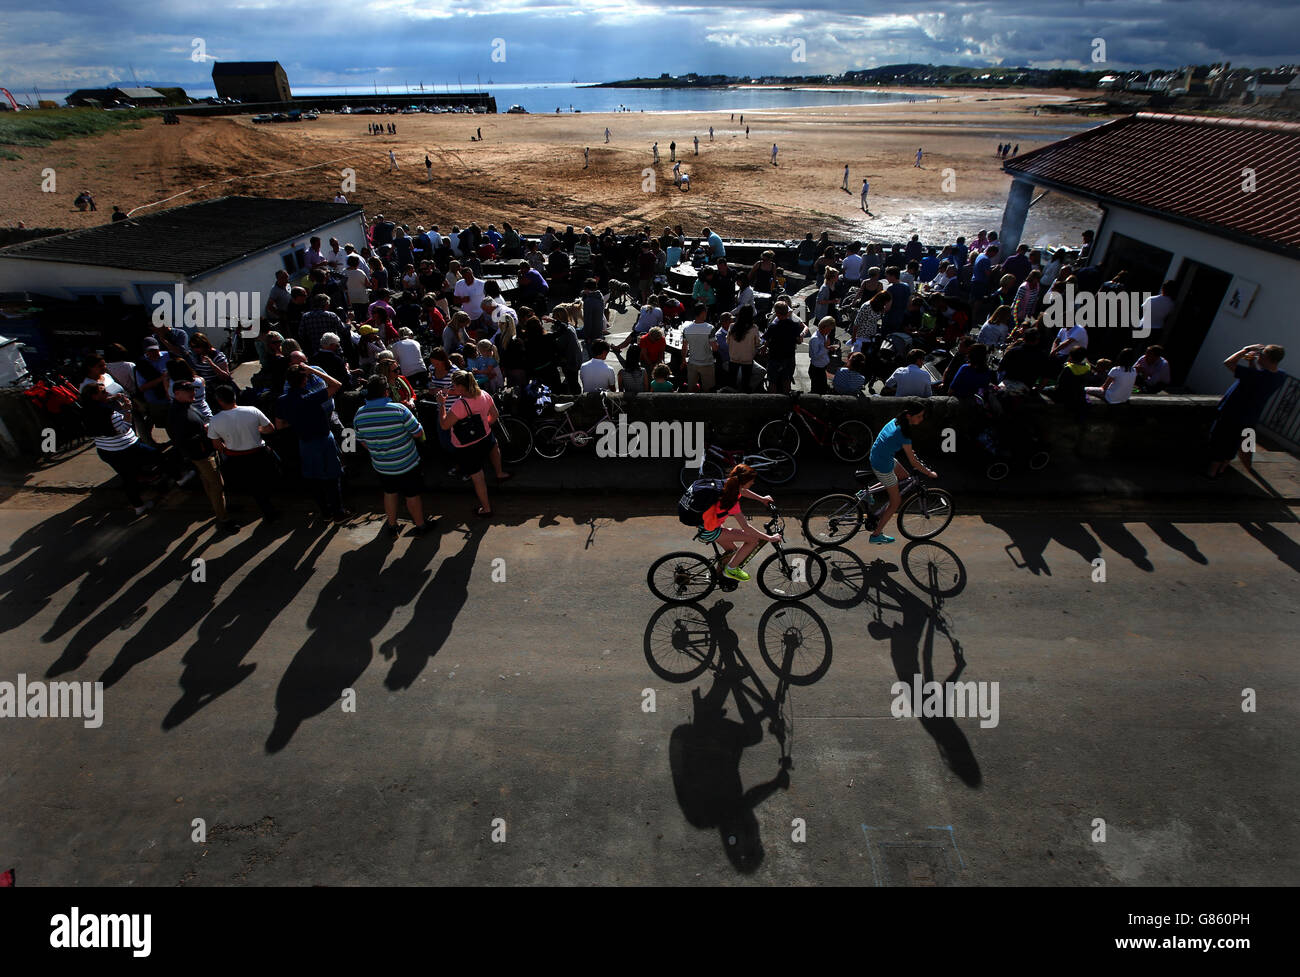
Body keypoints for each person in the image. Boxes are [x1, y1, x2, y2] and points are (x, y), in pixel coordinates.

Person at [352, 374, 438, 537]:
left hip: (382, 465)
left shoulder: (360, 414)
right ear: (386, 392)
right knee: (412, 495)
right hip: (407, 462)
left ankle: (392, 526)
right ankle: (420, 525)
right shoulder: (399, 409)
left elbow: (362, 440)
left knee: (389, 493)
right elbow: (418, 432)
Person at [275, 364, 349, 523]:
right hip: (323, 439)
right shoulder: (310, 397)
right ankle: (338, 513)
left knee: (315, 479)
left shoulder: (282, 400)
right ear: (304, 380)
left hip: (305, 442)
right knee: (332, 477)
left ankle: (325, 512)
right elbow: (336, 385)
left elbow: (279, 424)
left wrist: (295, 422)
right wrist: (314, 370)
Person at [437, 370, 511, 517]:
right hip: (485, 437)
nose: (453, 387)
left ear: (461, 387)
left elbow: (445, 425)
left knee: (477, 476)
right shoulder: (484, 394)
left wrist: (441, 405)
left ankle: (486, 508)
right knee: (494, 446)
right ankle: (500, 473)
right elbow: (494, 415)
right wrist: (484, 427)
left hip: (466, 446)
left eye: (454, 385)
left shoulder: (459, 405)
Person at [1207, 343, 1287, 477]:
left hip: (1233, 411)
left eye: (1261, 354)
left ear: (1267, 358)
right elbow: (1256, 376)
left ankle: (1211, 472)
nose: (1259, 356)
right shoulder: (1280, 376)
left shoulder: (1257, 376)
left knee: (1220, 440)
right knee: (1233, 443)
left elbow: (1228, 363)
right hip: (1250, 414)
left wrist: (1246, 350)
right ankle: (1221, 470)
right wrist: (1252, 362)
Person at [80, 382, 160, 515]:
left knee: (128, 478)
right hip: (124, 449)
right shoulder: (109, 413)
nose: (107, 393)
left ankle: (138, 506)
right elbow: (124, 428)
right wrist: (128, 410)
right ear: (94, 396)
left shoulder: (86, 411)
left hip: (106, 451)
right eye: (103, 392)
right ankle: (178, 478)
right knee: (157, 457)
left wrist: (113, 398)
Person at [206, 385, 280, 522]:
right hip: (259, 454)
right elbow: (270, 429)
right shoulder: (252, 410)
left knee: (251, 485)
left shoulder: (215, 420)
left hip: (236, 458)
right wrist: (259, 431)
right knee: (264, 481)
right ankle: (269, 506)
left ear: (219, 401)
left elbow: (216, 445)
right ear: (234, 397)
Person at [866, 401, 936, 545]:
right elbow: (913, 462)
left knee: (904, 477)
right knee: (896, 501)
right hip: (883, 465)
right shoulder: (904, 434)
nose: (921, 419)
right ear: (910, 416)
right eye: (920, 416)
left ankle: (866, 493)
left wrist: (909, 450)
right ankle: (876, 535)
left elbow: (891, 441)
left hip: (878, 455)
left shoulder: (896, 421)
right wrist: (929, 473)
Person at [698, 464, 778, 582]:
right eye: (751, 481)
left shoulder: (728, 484)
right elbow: (746, 528)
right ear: (744, 482)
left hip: (707, 524)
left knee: (732, 551)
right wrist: (769, 538)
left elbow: (743, 491)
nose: (753, 483)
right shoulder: (731, 499)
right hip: (710, 530)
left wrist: (762, 499)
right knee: (753, 540)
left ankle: (717, 577)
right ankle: (731, 569)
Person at [764, 301, 805, 394]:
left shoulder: (773, 326)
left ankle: (772, 401)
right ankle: (786, 402)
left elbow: (766, 341)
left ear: (777, 314)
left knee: (772, 381)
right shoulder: (794, 326)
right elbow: (798, 341)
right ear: (787, 312)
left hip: (774, 357)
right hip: (788, 357)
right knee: (786, 381)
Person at [681, 305, 718, 391]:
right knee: (709, 391)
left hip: (692, 363)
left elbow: (684, 347)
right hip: (707, 364)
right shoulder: (710, 328)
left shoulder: (686, 329)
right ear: (703, 313)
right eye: (706, 312)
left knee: (690, 389)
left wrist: (683, 360)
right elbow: (715, 348)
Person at [727, 306, 760, 391]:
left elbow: (728, 342)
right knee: (745, 382)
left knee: (732, 383)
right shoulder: (754, 328)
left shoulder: (732, 326)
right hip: (747, 359)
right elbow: (757, 343)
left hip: (733, 358)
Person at [807, 316, 838, 394]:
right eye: (829, 329)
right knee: (816, 390)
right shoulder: (815, 339)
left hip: (822, 367)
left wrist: (829, 347)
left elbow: (824, 349)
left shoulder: (824, 335)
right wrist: (826, 348)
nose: (830, 331)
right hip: (816, 369)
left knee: (822, 389)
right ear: (824, 327)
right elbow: (814, 356)